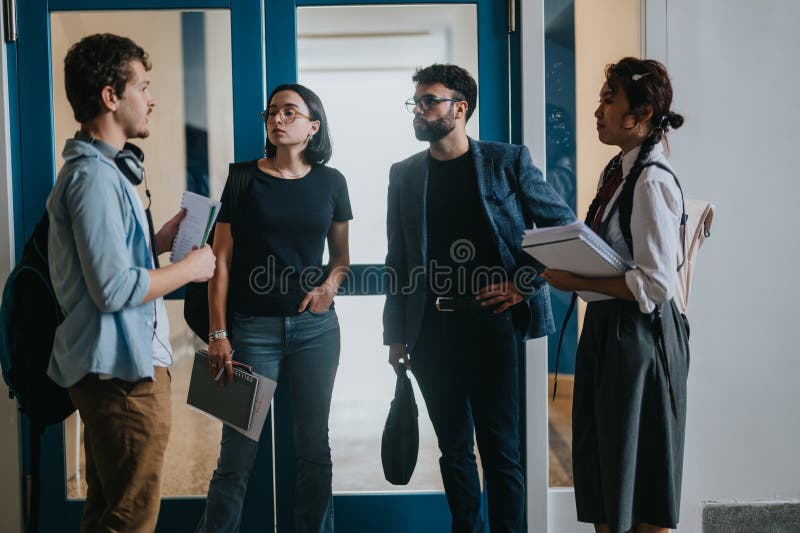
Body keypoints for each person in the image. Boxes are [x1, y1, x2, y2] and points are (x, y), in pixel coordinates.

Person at [383, 64, 575, 532]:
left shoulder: (504, 161)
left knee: (500, 448)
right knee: (453, 449)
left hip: (493, 325)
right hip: (432, 329)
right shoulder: (405, 174)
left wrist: (521, 284)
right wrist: (396, 335)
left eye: (429, 101)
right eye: (416, 102)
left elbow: (562, 227)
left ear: (460, 108)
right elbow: (400, 258)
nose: (419, 110)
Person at [47, 33, 216, 532]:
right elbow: (114, 289)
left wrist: (157, 241)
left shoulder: (104, 174)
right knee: (130, 518)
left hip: (117, 371)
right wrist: (189, 270)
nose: (152, 97)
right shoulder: (94, 180)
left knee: (108, 512)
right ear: (110, 96)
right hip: (120, 378)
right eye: (142, 85)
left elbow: (108, 268)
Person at [541, 57, 689, 533]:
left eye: (609, 100)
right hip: (610, 332)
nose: (598, 110)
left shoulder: (652, 180)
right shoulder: (619, 169)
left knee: (640, 474)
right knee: (606, 469)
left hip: (641, 341)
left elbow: (655, 284)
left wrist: (576, 281)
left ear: (640, 112)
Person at [196, 83, 351, 533]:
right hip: (250, 331)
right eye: (272, 112)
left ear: (312, 126)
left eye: (290, 112)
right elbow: (220, 259)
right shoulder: (243, 177)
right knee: (236, 455)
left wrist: (329, 288)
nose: (277, 119)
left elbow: (339, 259)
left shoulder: (331, 182)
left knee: (314, 450)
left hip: (316, 332)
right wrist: (219, 333)